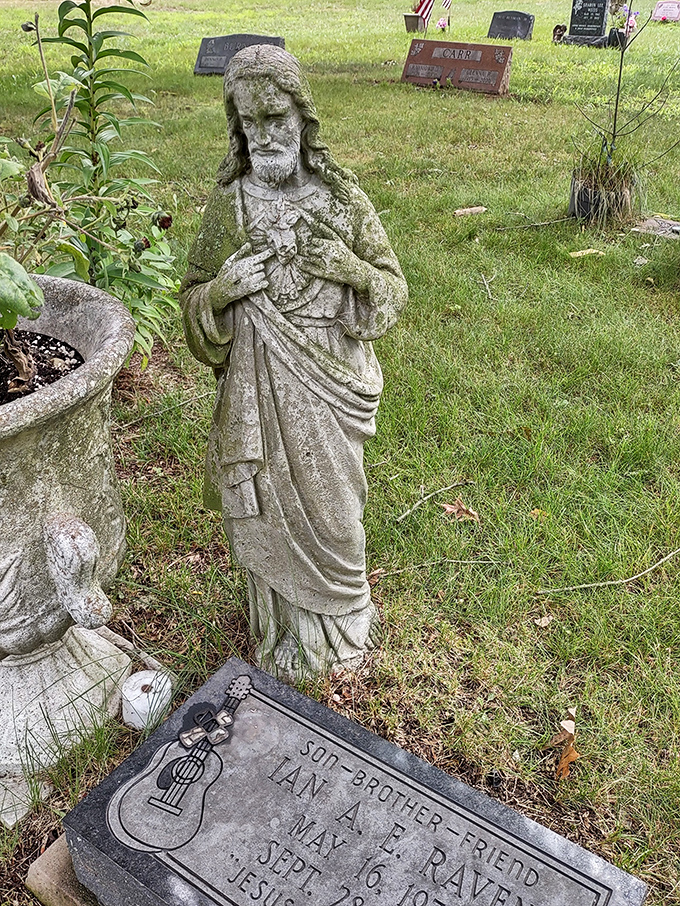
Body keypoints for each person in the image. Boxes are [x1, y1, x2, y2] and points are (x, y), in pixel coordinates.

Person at [180, 45, 407, 681]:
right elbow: (193, 298)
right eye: (249, 125)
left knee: (336, 511)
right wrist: (222, 294)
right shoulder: (231, 206)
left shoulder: (341, 201)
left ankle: (337, 624)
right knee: (266, 507)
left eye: (276, 119)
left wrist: (351, 270)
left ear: (302, 118)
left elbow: (393, 291)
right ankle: (279, 629)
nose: (264, 137)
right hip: (258, 382)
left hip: (328, 382)